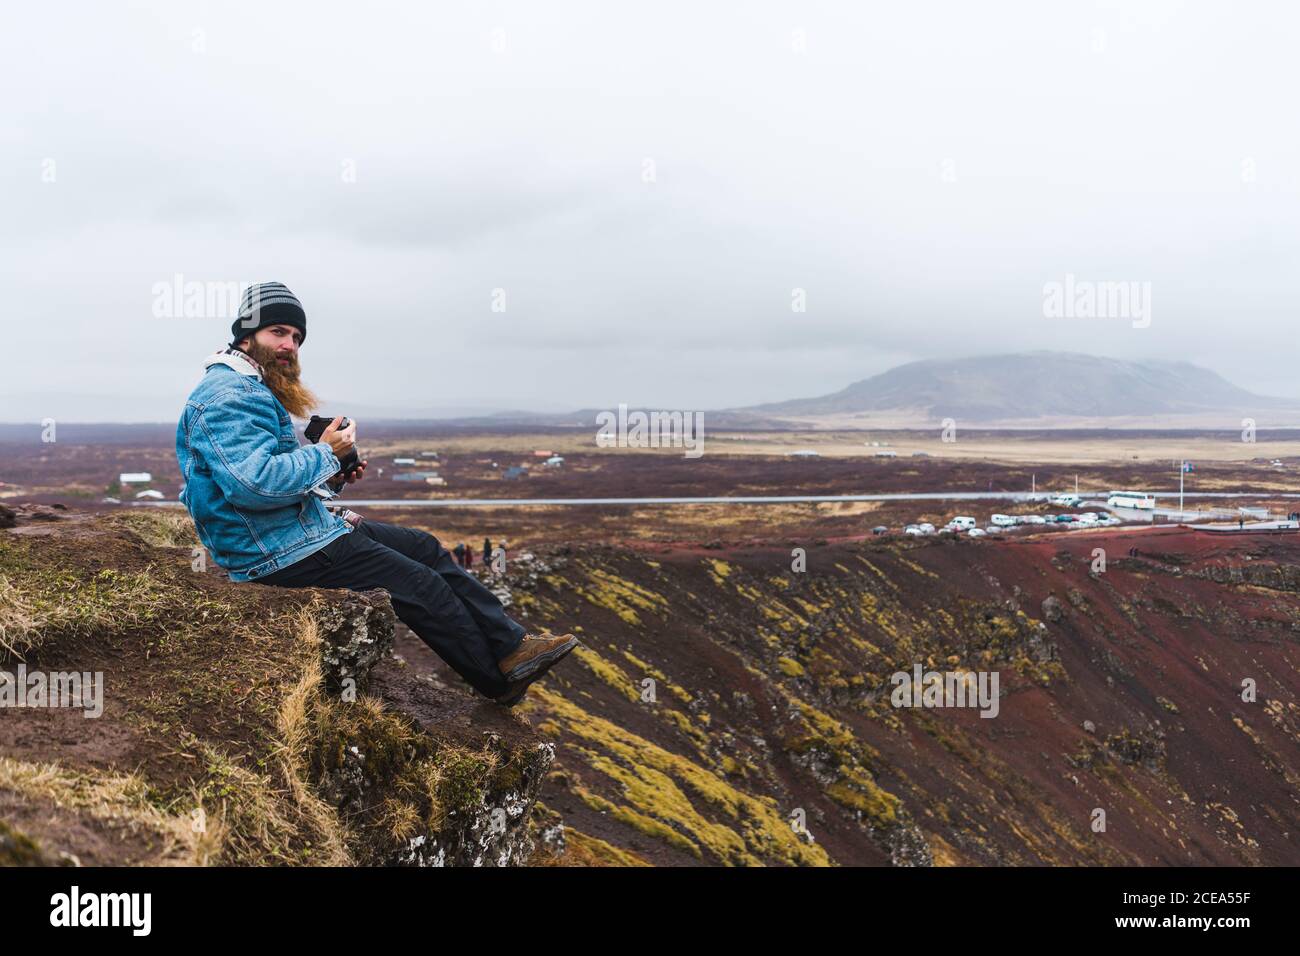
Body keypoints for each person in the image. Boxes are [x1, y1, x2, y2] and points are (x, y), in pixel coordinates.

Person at [174, 282, 577, 706]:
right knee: (421, 585)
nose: (289, 345)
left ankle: (512, 647)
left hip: (293, 531)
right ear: (245, 336)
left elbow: (274, 482)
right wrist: (327, 453)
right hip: (275, 551)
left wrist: (334, 473)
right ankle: (500, 684)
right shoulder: (229, 395)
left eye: (296, 337)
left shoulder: (250, 388)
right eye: (278, 332)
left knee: (424, 547)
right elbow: (253, 485)